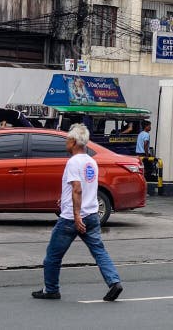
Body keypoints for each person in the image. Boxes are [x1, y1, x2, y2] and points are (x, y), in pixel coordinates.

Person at [32, 124, 123, 302]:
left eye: (67, 139)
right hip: (92, 215)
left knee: (53, 255)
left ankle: (51, 289)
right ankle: (114, 282)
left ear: (73, 142)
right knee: (99, 251)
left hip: (72, 218)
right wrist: (65, 200)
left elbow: (77, 189)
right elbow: (83, 188)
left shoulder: (73, 162)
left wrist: (75, 215)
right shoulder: (91, 162)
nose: (66, 142)